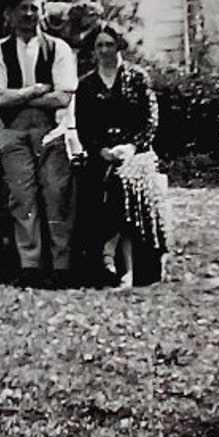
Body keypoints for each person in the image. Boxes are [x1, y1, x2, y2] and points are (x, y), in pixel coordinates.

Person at [0, 0, 78, 283]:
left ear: (42, 12)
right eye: (22, 8)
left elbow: (63, 97)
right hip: (13, 133)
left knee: (57, 197)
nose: (28, 14)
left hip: (52, 132)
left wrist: (17, 98)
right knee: (22, 199)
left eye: (34, 8)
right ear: (10, 14)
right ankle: (30, 266)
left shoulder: (58, 49)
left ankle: (61, 265)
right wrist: (34, 91)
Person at [71, 23, 161, 285]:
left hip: (136, 153)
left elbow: (151, 120)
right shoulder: (86, 84)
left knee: (123, 181)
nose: (104, 50)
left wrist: (131, 147)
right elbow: (84, 126)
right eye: (99, 45)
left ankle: (116, 255)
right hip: (101, 153)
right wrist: (101, 150)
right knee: (98, 182)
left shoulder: (138, 78)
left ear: (119, 45)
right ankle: (98, 263)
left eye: (109, 44)